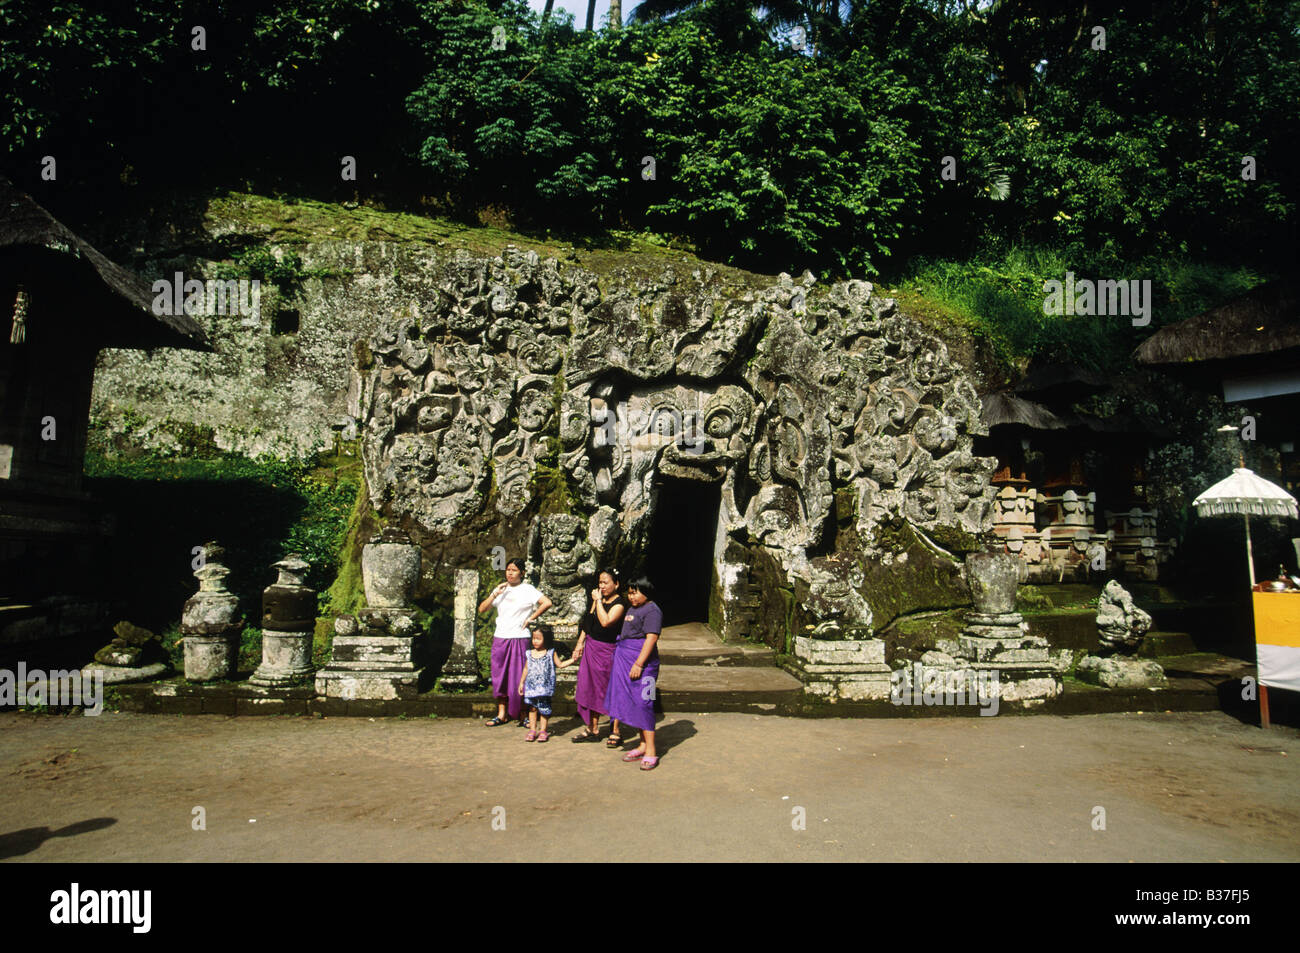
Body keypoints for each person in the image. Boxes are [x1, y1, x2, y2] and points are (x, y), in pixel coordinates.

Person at [478, 558, 552, 726]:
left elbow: (547, 602)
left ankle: (523, 714)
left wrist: (531, 619)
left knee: (520, 676)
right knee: (500, 676)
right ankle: (502, 713)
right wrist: (494, 594)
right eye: (508, 569)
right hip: (501, 637)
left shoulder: (527, 589)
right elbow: (482, 609)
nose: (510, 573)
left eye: (514, 570)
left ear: (522, 573)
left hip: (520, 637)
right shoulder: (501, 589)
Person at [603, 575, 663, 770]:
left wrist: (638, 663)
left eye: (635, 593)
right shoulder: (632, 609)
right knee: (632, 703)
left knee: (645, 703)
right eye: (629, 593)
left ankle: (651, 750)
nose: (631, 597)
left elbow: (651, 639)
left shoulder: (653, 611)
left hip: (645, 665)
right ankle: (642, 744)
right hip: (624, 660)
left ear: (646, 592)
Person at [571, 569, 628, 744]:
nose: (601, 586)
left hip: (608, 651)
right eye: (600, 583)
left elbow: (606, 622)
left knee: (610, 688)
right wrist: (580, 643)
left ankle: (615, 729)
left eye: (605, 583)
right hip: (591, 647)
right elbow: (589, 622)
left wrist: (598, 602)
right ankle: (592, 728)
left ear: (616, 584)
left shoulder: (620, 604)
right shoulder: (599, 600)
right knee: (589, 687)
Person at [517, 623, 576, 742]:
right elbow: (526, 669)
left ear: (546, 639)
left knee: (544, 709)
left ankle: (543, 730)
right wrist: (521, 683)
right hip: (531, 687)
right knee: (532, 708)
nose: (535, 641)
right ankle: (532, 730)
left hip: (545, 688)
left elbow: (560, 664)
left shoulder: (550, 653)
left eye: (538, 638)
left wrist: (573, 660)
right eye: (534, 638)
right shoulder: (529, 653)